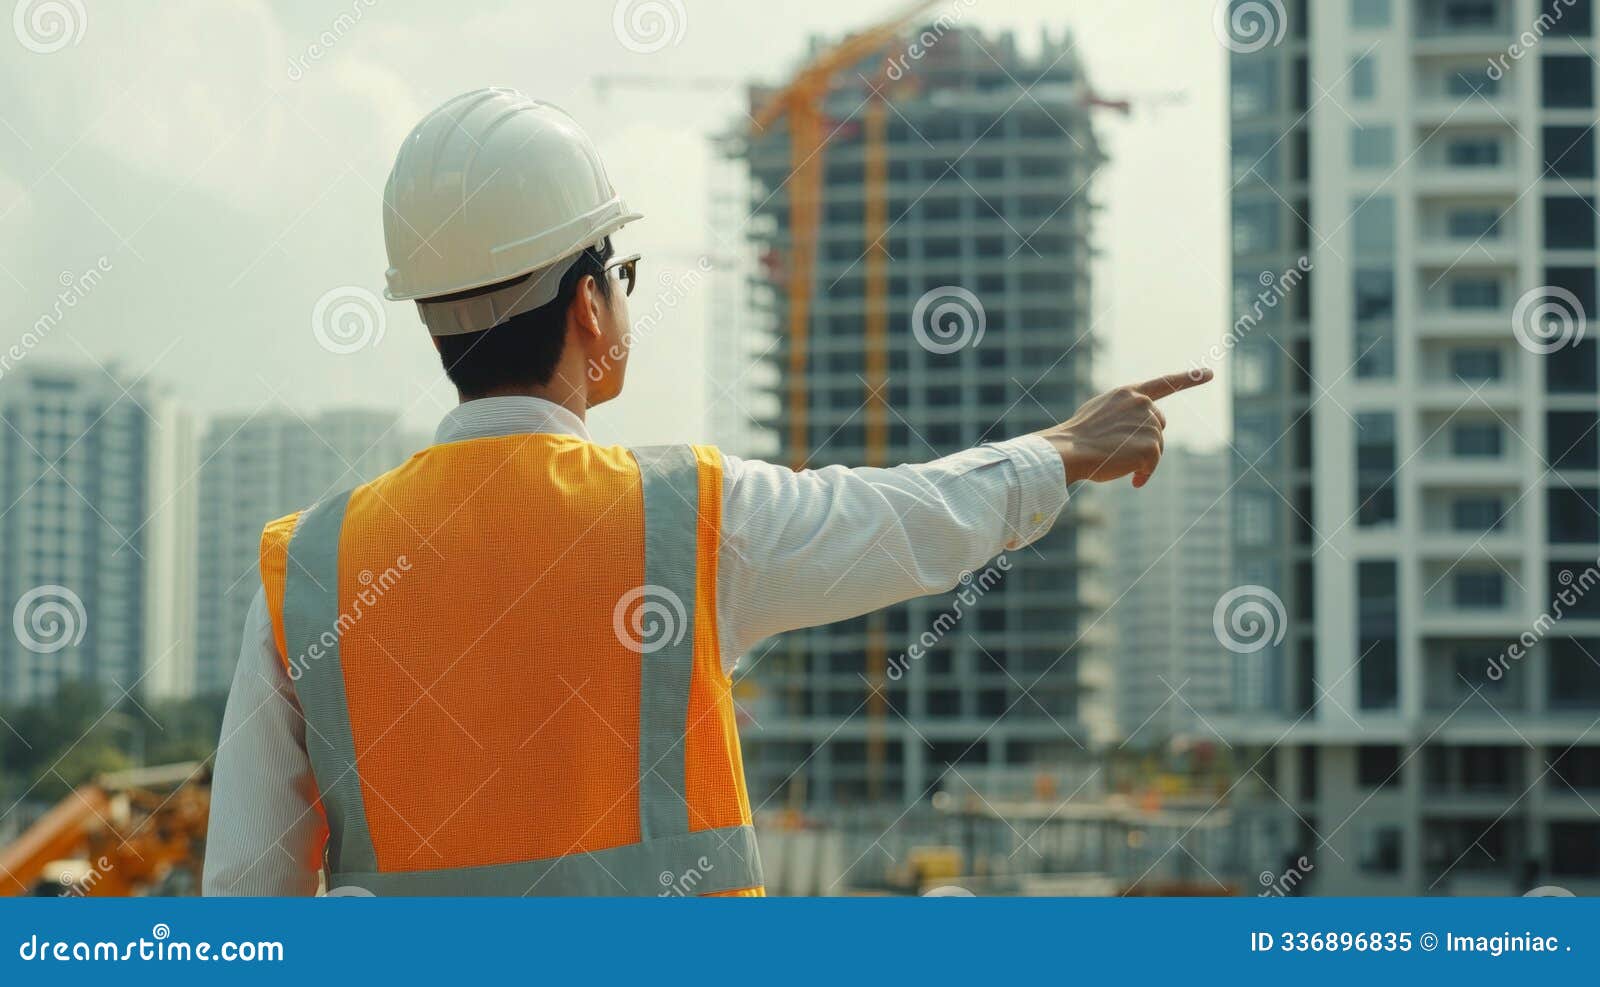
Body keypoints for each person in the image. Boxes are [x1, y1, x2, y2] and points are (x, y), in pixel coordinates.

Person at [203, 88, 1211, 896]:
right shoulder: (680, 518)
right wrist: (1062, 448)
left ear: (433, 319)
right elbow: (902, 519)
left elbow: (248, 899)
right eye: (621, 276)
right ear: (588, 308)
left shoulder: (309, 568)